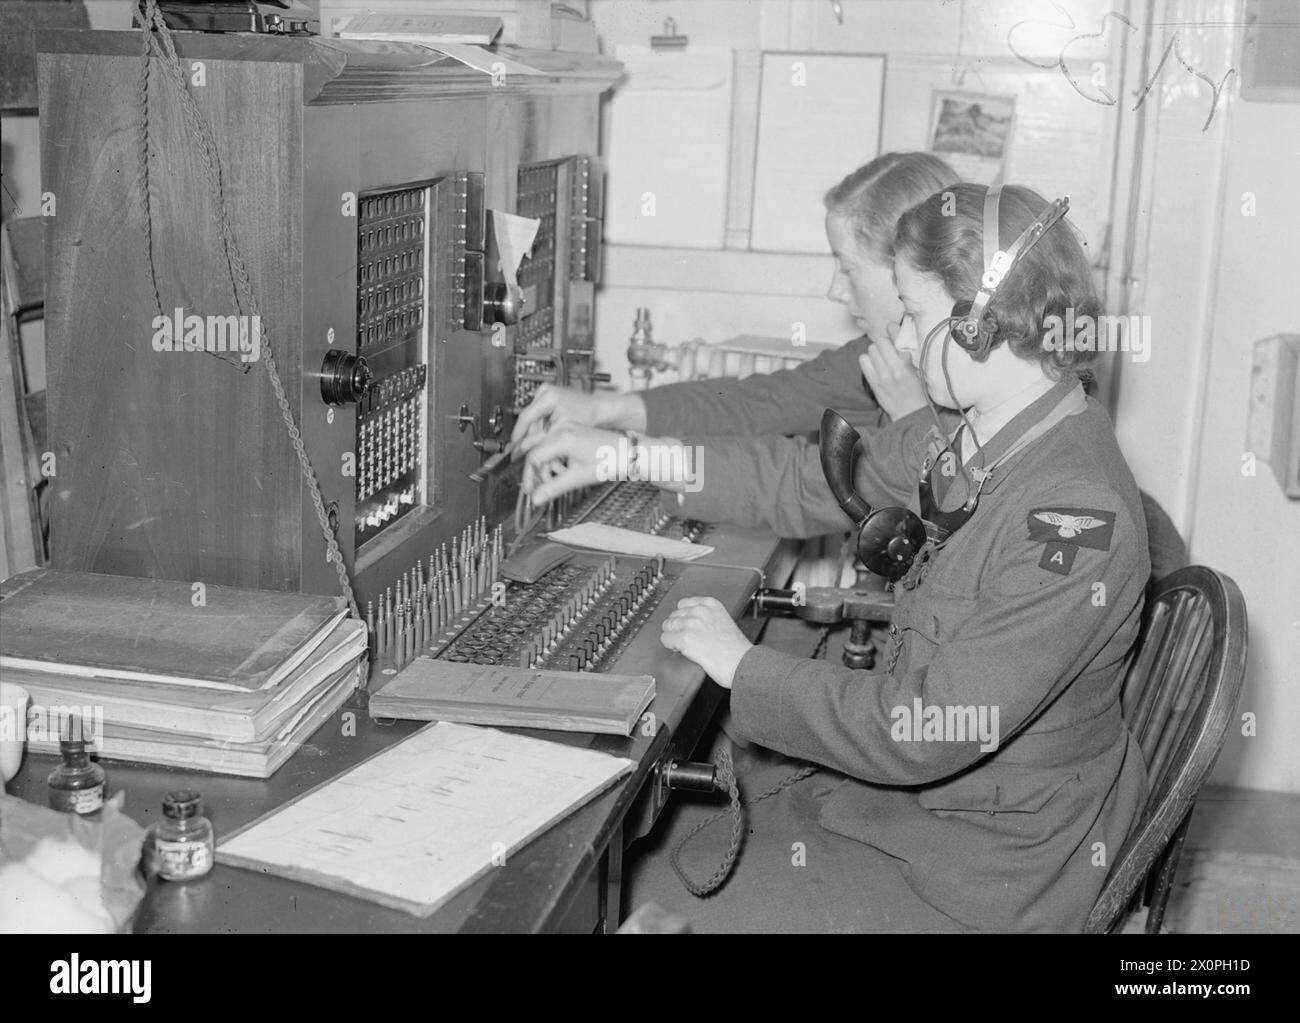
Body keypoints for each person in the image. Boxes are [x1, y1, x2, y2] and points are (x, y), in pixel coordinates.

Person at [530, 183, 1151, 932]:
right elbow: (800, 480)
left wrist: (743, 666)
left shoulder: (1076, 516)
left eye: (915, 317)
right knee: (635, 868)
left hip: (978, 875)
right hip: (909, 814)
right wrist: (628, 455)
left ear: (979, 325)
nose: (903, 343)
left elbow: (933, 728)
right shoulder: (982, 433)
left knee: (624, 896)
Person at [510, 152, 959, 455]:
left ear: (906, 269)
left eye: (847, 267)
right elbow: (754, 403)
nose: (836, 291)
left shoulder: (968, 384)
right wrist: (605, 409)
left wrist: (914, 421)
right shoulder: (877, 359)